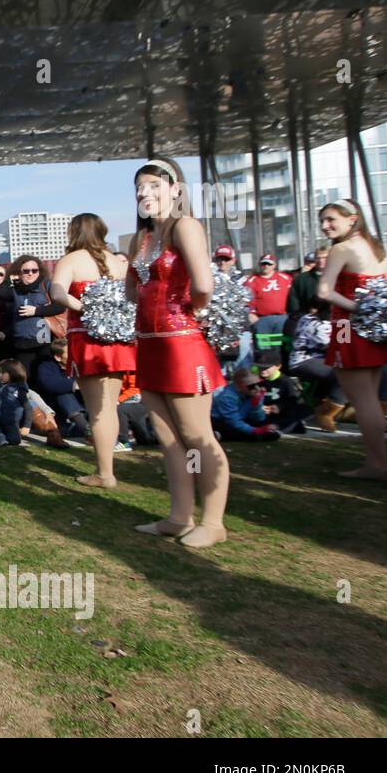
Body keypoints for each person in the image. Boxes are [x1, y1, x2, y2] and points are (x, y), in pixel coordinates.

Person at [127, 157, 229, 548]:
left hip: (182, 344)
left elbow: (204, 283)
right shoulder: (142, 238)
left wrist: (185, 311)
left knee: (196, 435)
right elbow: (131, 290)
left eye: (153, 185)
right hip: (149, 345)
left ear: (175, 189)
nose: (144, 193)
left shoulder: (185, 226)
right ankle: (179, 515)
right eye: (139, 187)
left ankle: (214, 521)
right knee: (168, 437)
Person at [50, 212, 137, 487]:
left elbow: (57, 293)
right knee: (109, 406)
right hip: (119, 341)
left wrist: (84, 307)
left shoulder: (71, 260)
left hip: (90, 341)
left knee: (97, 407)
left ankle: (105, 473)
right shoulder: (117, 261)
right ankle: (106, 468)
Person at [314, 198, 387, 480]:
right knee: (370, 398)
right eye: (322, 221)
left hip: (348, 327)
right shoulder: (376, 247)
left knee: (363, 401)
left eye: (331, 220)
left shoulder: (341, 248)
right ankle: (377, 461)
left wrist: (357, 307)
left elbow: (324, 292)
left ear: (352, 219)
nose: (325, 226)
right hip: (375, 331)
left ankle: (377, 464)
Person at [287, 298, 346, 431]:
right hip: (303, 360)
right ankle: (325, 414)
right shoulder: (313, 321)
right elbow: (336, 348)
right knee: (345, 373)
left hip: (327, 360)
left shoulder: (342, 322)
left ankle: (346, 410)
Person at [8, 255, 66, 376]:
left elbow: (60, 306)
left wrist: (36, 311)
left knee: (44, 377)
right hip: (21, 341)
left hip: (43, 340)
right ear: (19, 272)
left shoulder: (46, 285)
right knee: (26, 379)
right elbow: (0, 293)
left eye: (34, 270)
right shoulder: (15, 288)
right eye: (26, 271)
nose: (30, 273)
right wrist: (10, 279)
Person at [33, 339, 90, 437]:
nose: (74, 355)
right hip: (58, 410)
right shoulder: (46, 367)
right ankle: (87, 430)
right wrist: (74, 384)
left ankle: (85, 428)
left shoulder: (80, 365)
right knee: (63, 394)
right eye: (70, 353)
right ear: (58, 357)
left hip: (83, 407)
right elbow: (49, 384)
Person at [212, 368, 281, 441]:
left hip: (240, 418)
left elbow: (259, 418)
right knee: (231, 428)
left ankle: (223, 435)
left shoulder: (252, 393)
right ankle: (223, 435)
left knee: (265, 424)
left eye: (259, 384)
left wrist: (256, 405)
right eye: (251, 386)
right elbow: (233, 421)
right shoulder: (227, 396)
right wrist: (255, 430)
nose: (257, 388)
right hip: (222, 420)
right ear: (238, 387)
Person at [253, 349, 311, 434]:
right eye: (260, 367)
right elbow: (247, 396)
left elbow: (293, 400)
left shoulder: (286, 381)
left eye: (267, 367)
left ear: (278, 366)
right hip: (261, 412)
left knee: (302, 410)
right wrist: (258, 407)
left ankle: (278, 427)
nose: (263, 370)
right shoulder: (254, 379)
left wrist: (279, 407)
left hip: (279, 412)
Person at [243, 253, 293, 350]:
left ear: (274, 265)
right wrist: (250, 313)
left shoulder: (285, 278)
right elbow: (246, 300)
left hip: (282, 318)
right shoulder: (252, 280)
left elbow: (293, 296)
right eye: (263, 264)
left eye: (269, 264)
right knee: (263, 349)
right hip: (262, 320)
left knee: (282, 348)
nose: (266, 266)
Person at [287, 246, 328, 324]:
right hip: (307, 322)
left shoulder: (339, 277)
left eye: (325, 258)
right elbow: (293, 304)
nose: (321, 261)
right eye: (318, 258)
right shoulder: (301, 279)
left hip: (333, 322)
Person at [116, 370, 157, 448]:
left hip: (140, 400)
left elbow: (135, 389)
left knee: (120, 409)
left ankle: (123, 442)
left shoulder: (131, 366)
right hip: (132, 400)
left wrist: (118, 400)